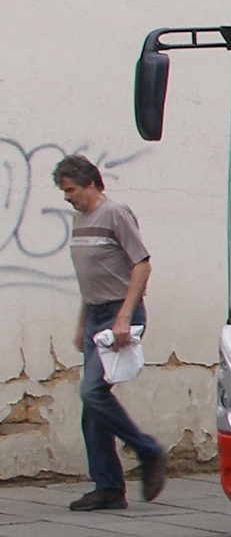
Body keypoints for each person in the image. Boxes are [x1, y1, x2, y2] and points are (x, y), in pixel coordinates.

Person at [54, 154, 166, 511]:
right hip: (95, 315)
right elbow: (91, 279)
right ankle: (108, 487)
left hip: (120, 314)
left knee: (93, 393)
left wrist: (123, 317)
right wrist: (81, 322)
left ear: (91, 184)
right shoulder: (79, 220)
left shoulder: (115, 213)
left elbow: (142, 265)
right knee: (91, 405)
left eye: (70, 190)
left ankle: (148, 451)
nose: (67, 197)